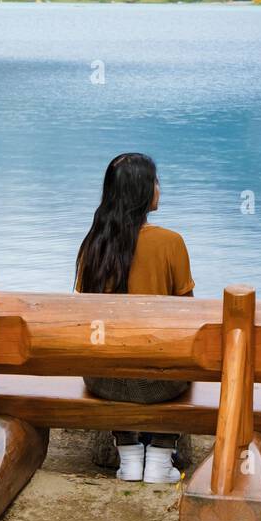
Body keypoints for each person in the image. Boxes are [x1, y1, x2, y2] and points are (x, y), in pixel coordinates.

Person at [74, 152, 194, 485]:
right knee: (182, 354)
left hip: (103, 381)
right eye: (155, 182)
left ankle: (128, 456)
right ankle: (159, 454)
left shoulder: (94, 246)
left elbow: (86, 320)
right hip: (160, 386)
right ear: (142, 191)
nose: (159, 188)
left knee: (111, 349)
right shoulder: (171, 243)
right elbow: (189, 319)